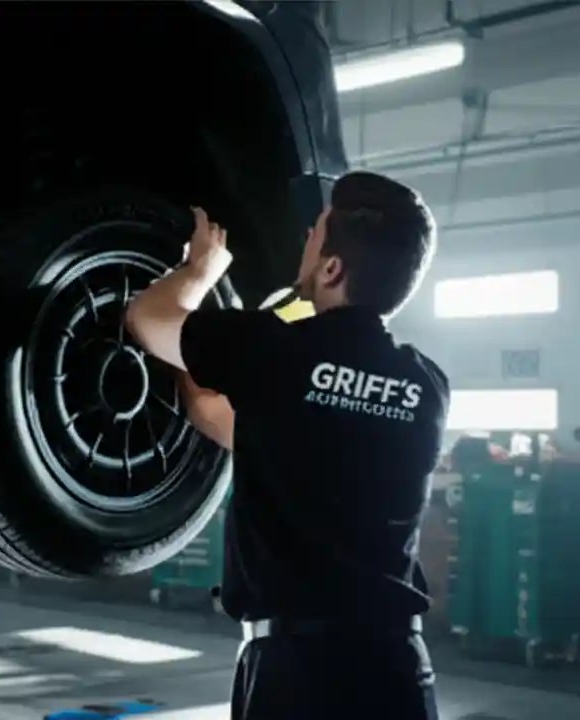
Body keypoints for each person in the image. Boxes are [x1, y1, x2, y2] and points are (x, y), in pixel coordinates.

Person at [124, 171, 447, 719]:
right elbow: (233, 422)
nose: (304, 240)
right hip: (398, 669)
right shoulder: (426, 385)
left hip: (298, 673)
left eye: (314, 234)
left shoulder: (275, 351)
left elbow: (147, 320)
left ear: (332, 268)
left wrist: (200, 270)